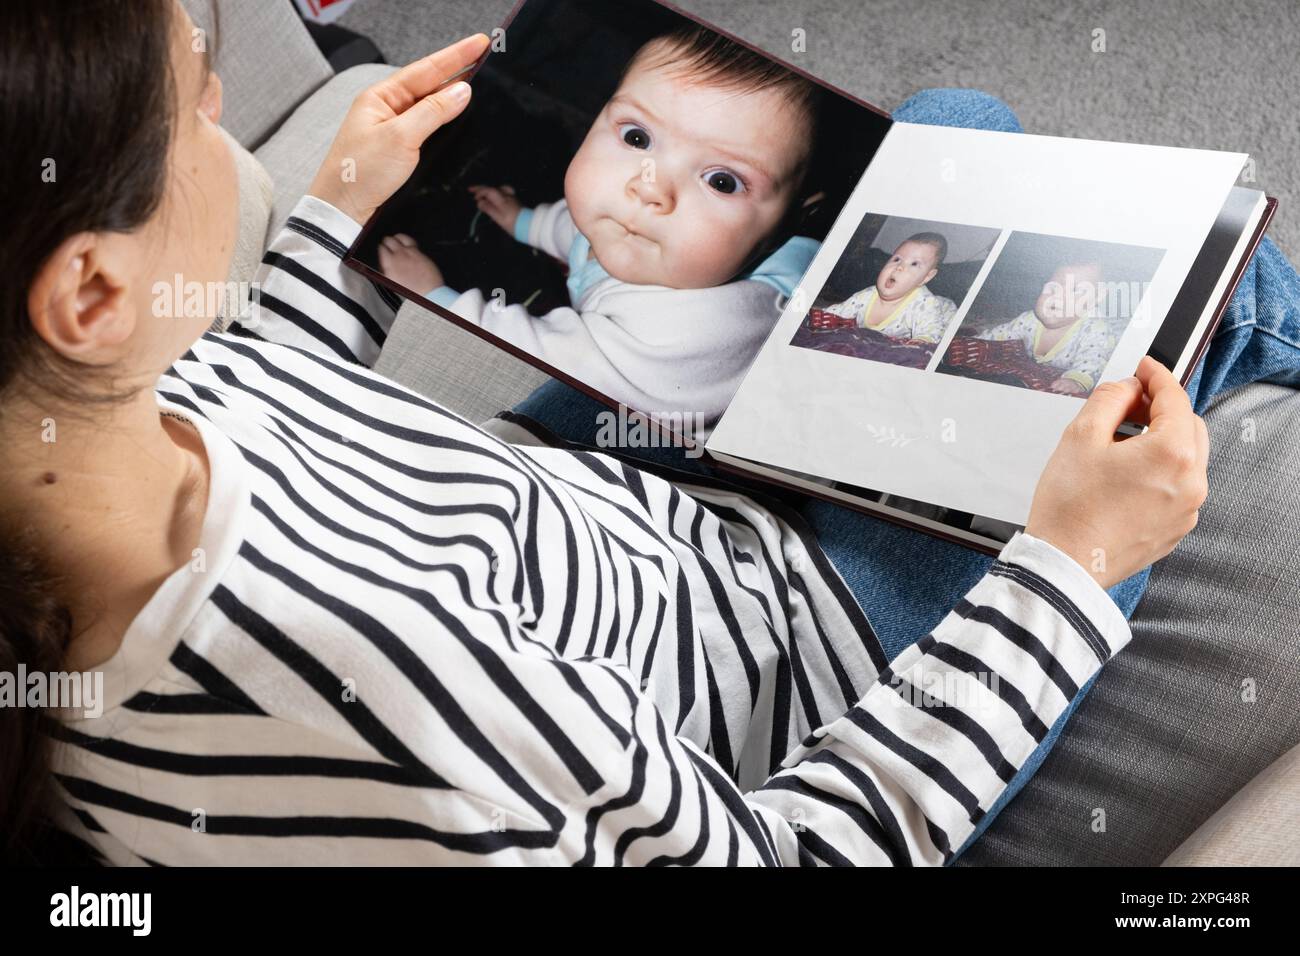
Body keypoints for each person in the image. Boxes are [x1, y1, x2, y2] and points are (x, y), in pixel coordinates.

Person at [7, 0, 1285, 866]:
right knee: (1191, 292)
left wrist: (341, 219)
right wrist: (1066, 566)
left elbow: (264, 391)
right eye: (197, 103)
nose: (228, 101)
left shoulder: (86, 435)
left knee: (946, 136)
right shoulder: (369, 684)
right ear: (91, 296)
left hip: (581, 508)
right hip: (815, 648)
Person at [376, 24, 824, 429]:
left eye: (722, 181)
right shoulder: (649, 233)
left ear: (783, 227)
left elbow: (545, 355)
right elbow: (581, 230)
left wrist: (438, 299)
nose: (649, 188)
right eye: (637, 138)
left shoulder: (691, 333)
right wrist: (527, 222)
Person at [976, 261, 1115, 396]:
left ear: (1097, 297)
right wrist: (975, 342)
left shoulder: (1095, 330)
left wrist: (1076, 380)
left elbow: (1093, 362)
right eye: (1052, 288)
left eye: (1076, 290)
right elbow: (994, 337)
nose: (1058, 297)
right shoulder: (1029, 320)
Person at [810, 233, 958, 343]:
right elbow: (832, 314)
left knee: (949, 333)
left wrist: (922, 341)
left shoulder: (925, 304)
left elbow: (931, 333)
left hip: (944, 310)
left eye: (914, 264)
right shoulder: (866, 295)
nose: (899, 267)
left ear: (926, 277)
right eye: (896, 259)